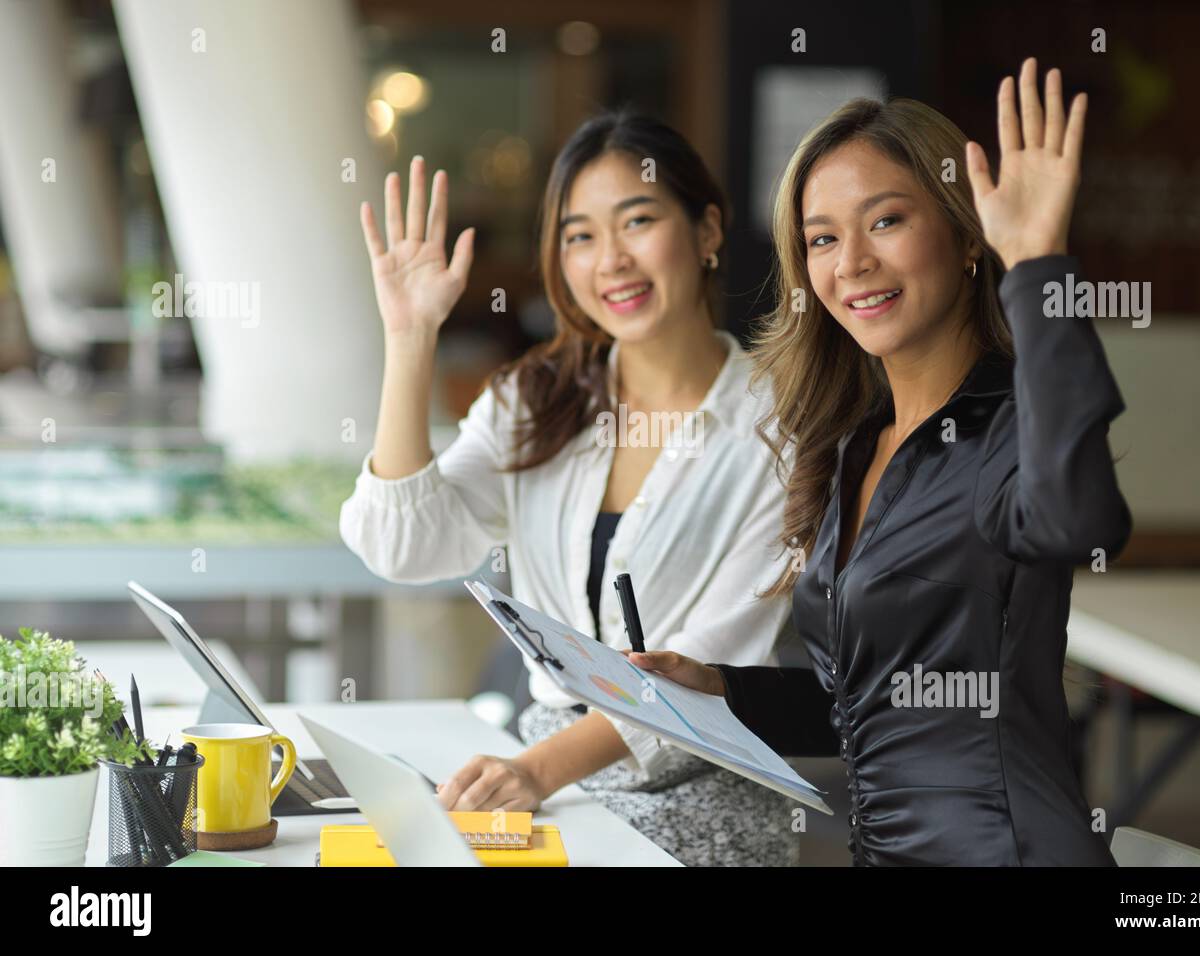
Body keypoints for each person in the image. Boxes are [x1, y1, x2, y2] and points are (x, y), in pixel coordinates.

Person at [628, 59, 1131, 865]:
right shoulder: (855, 443)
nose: (850, 262)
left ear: (967, 235)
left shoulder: (1011, 430)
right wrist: (721, 686)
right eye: (822, 238)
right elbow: (863, 707)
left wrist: (1037, 266)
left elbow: (1081, 517)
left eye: (886, 221)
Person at [339, 109, 799, 866]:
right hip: (550, 778)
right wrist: (410, 336)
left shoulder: (778, 423)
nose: (610, 260)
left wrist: (534, 772)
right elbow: (403, 546)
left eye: (638, 220)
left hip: (704, 787)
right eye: (580, 235)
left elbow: (706, 663)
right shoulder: (536, 400)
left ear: (707, 231)